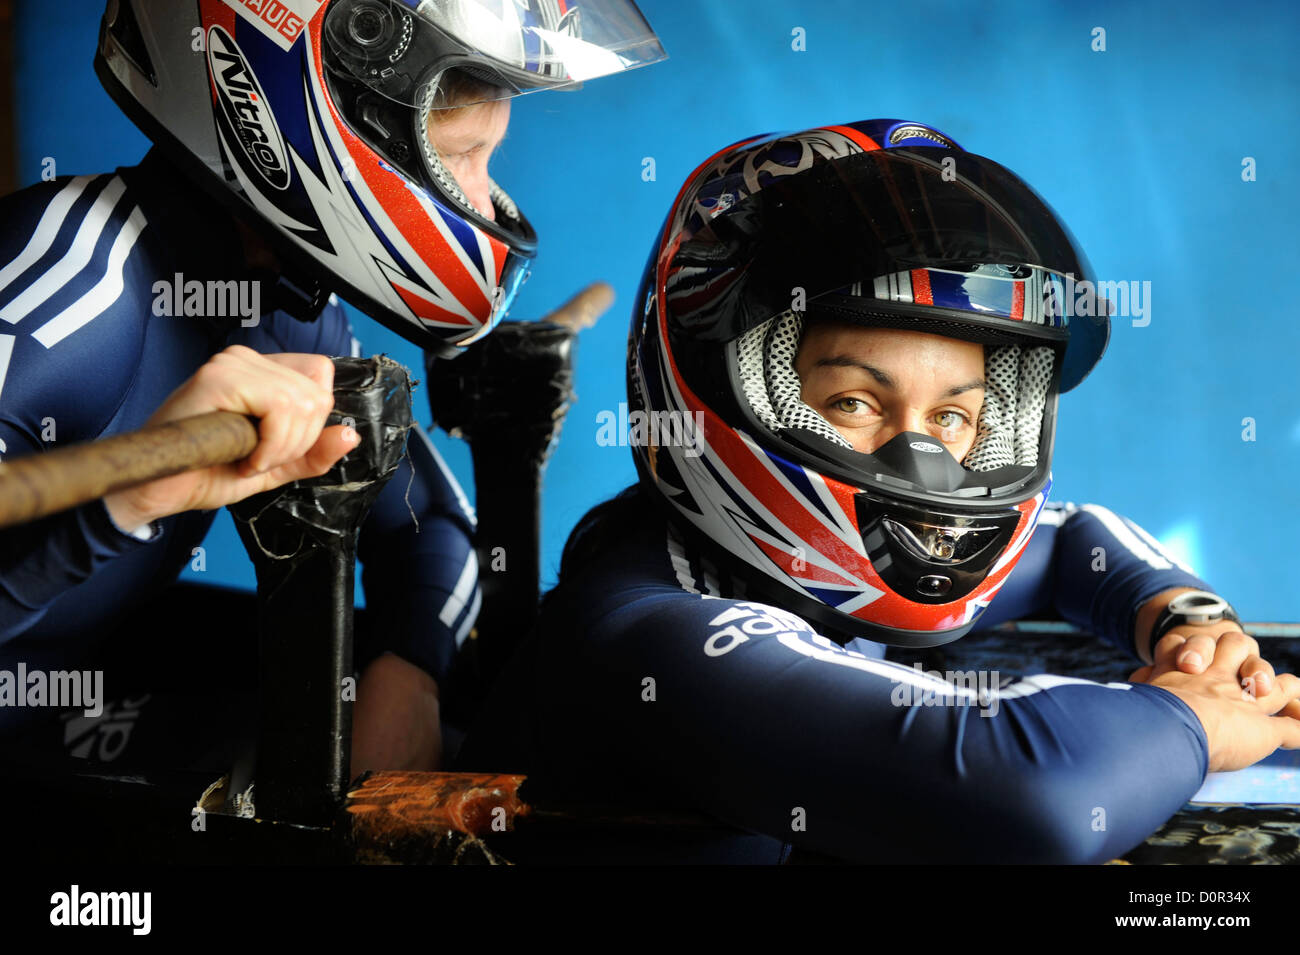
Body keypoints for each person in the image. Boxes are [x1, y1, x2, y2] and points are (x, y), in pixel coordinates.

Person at [457, 119, 1300, 864]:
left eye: (955, 415)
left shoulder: (824, 578)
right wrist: (1190, 721)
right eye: (855, 403)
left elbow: (1071, 539)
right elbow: (1035, 798)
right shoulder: (646, 631)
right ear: (722, 383)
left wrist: (1189, 625)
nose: (922, 458)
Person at [0, 0, 664, 775]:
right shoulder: (59, 294)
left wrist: (406, 675)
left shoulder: (285, 304)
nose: (485, 202)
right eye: (465, 156)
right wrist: (123, 505)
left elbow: (430, 522)